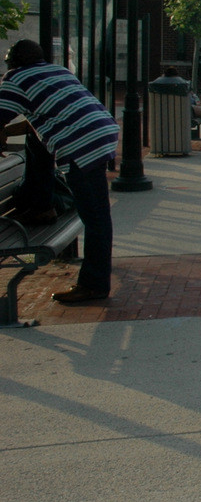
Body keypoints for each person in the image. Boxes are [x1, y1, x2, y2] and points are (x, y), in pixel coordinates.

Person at [0, 40, 120, 304]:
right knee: (37, 139)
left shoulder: (15, 79)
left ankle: (94, 285)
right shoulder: (57, 71)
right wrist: (6, 132)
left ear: (14, 62)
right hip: (101, 131)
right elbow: (37, 122)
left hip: (81, 143)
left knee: (96, 219)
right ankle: (41, 205)